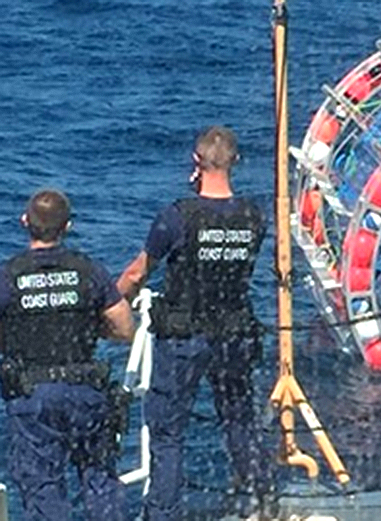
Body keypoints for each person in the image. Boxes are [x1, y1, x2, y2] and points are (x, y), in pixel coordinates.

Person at [116, 126, 273, 520]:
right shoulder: (254, 216)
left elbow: (137, 273)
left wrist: (115, 305)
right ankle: (260, 499)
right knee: (240, 420)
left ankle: (163, 513)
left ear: (196, 161)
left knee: (168, 431)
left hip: (184, 336)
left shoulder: (177, 217)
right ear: (236, 161)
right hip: (234, 333)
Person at [0, 189, 135, 521]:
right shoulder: (88, 270)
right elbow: (124, 328)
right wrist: (87, 328)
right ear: (67, 226)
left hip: (34, 397)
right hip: (86, 391)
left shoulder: (8, 275)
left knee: (43, 486)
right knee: (100, 480)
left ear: (25, 222)